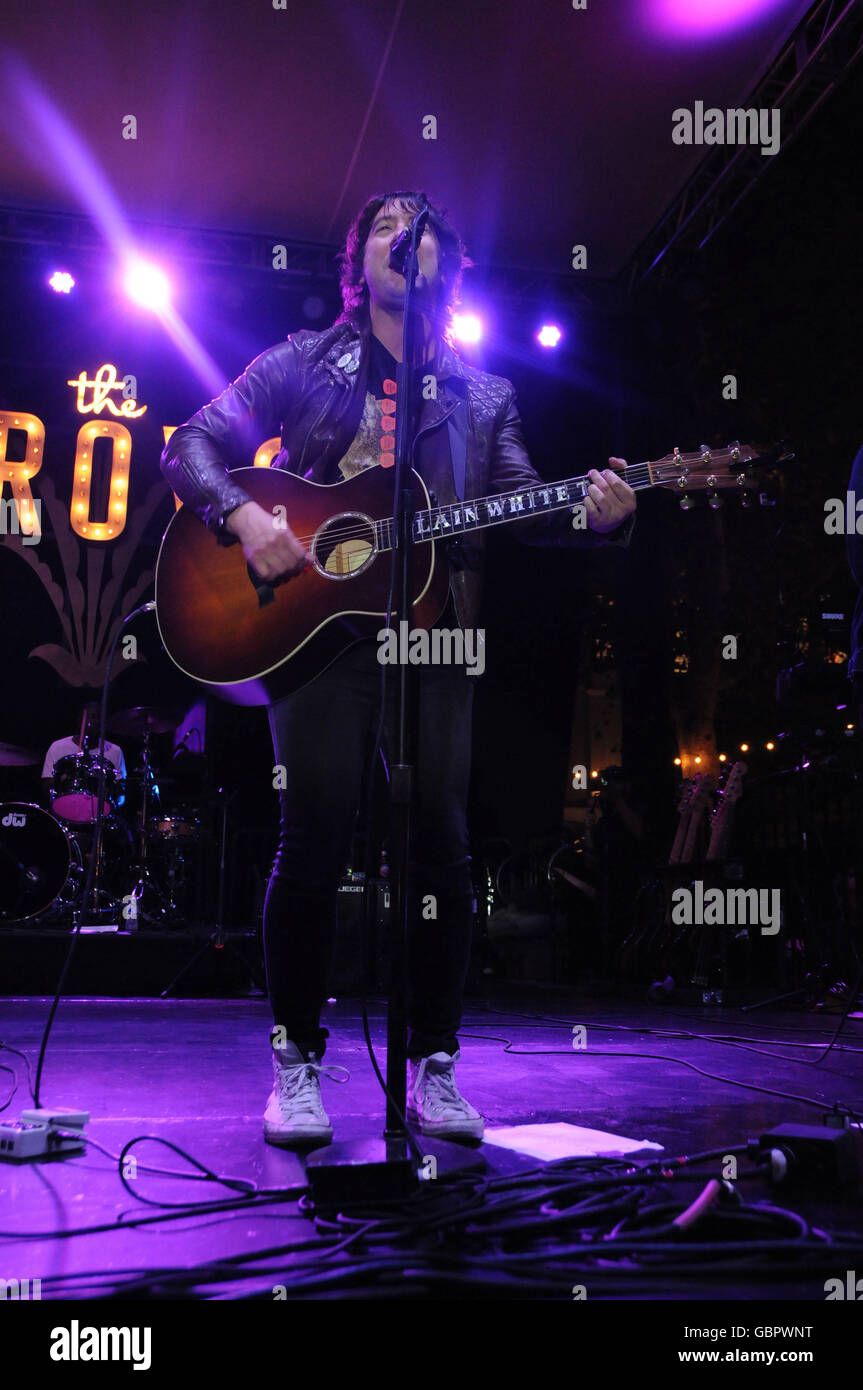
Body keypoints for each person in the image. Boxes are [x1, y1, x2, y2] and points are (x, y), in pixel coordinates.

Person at [160, 190, 637, 1148]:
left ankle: (435, 1064)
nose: (397, 237)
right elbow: (191, 446)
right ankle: (297, 1061)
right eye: (382, 226)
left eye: (416, 230)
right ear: (360, 261)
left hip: (436, 637)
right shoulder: (304, 362)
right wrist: (246, 517)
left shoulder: (483, 394)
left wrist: (594, 517)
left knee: (441, 849)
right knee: (315, 839)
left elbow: (519, 504)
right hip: (315, 635)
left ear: (446, 269)